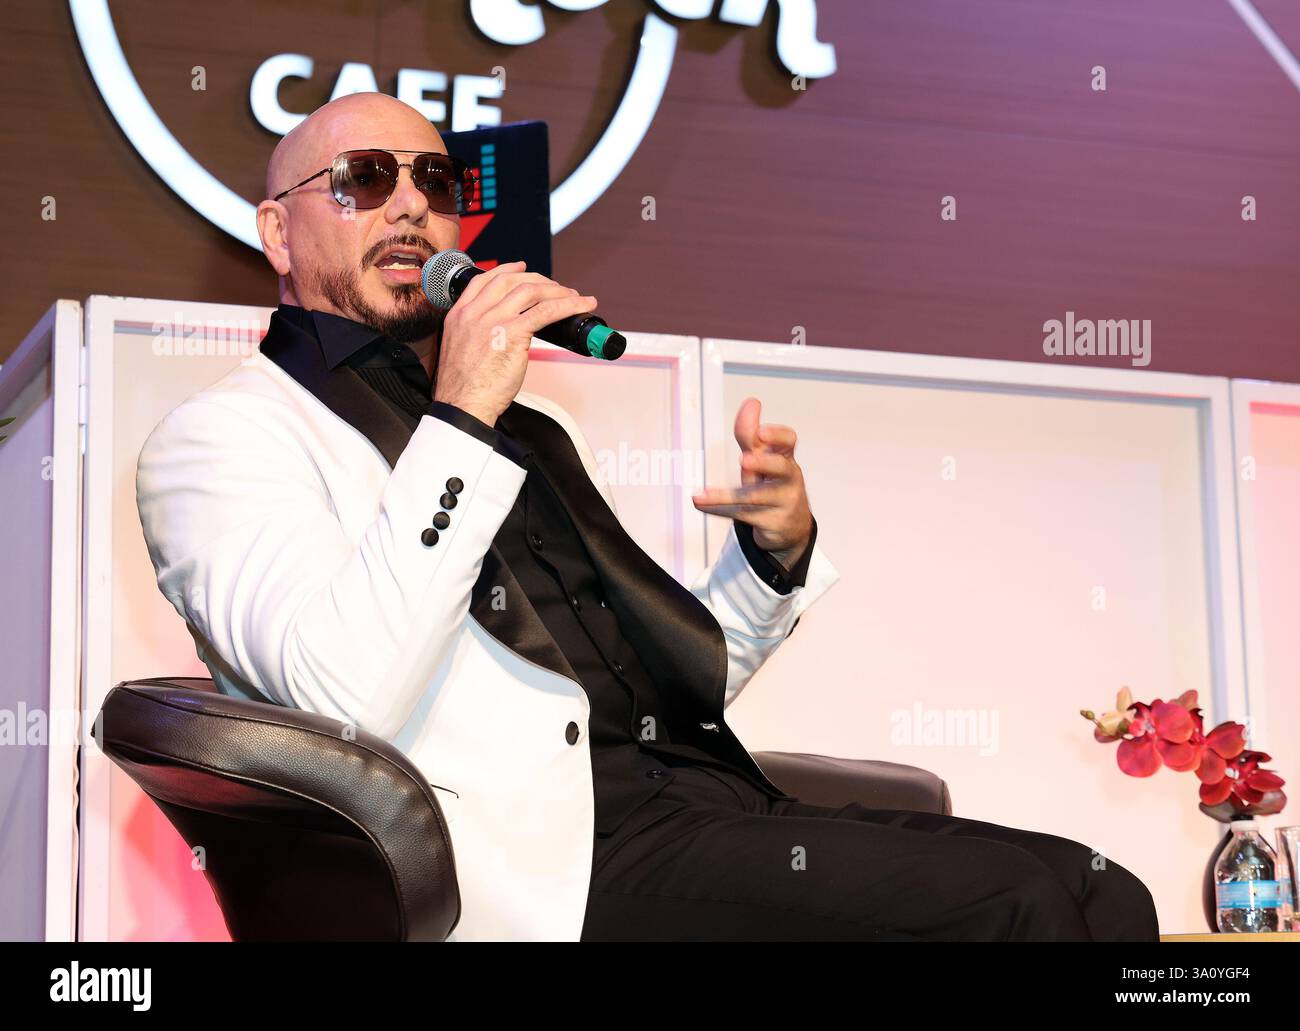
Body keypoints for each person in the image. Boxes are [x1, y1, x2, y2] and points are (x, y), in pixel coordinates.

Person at [135, 91, 1160, 941]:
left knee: (1105, 889)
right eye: (365, 178)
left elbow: (633, 691)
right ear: (277, 227)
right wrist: (462, 413)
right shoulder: (223, 438)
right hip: (548, 870)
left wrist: (771, 553)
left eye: (435, 182)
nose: (408, 205)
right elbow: (345, 688)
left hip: (698, 810)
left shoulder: (521, 431)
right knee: (1017, 910)